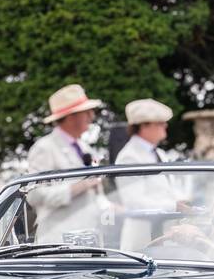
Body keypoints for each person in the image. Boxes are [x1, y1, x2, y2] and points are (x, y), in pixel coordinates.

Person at [25, 84, 104, 243]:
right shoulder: (44, 148)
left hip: (89, 238)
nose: (91, 116)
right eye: (86, 112)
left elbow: (96, 194)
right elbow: (34, 195)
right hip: (58, 241)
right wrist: (80, 186)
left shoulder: (85, 148)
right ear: (71, 116)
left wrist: (113, 208)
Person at [114, 99, 180, 251]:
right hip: (142, 239)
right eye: (160, 122)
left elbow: (166, 189)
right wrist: (174, 206)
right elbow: (134, 203)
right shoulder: (129, 157)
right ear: (144, 126)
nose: (165, 125)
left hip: (164, 235)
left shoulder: (159, 153)